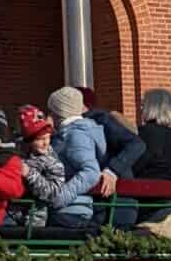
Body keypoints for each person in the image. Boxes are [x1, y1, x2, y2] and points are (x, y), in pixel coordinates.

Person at [44, 86, 137, 234]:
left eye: (51, 111)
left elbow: (90, 172)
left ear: (59, 111)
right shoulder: (79, 131)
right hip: (84, 207)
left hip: (72, 210)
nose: (49, 116)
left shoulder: (76, 134)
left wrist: (59, 198)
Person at [134, 89, 171, 180]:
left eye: (143, 105)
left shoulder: (146, 132)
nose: (140, 109)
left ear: (152, 107)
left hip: (152, 184)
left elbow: (136, 164)